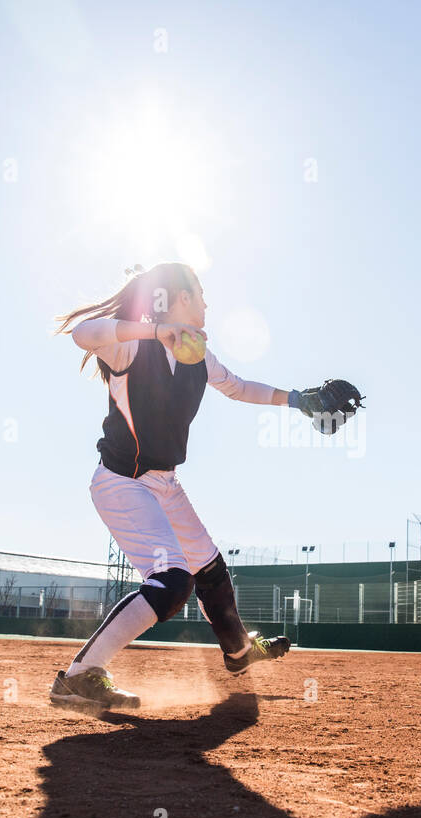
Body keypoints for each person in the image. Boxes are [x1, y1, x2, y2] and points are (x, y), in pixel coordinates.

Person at [47, 262, 311, 711]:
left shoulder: (198, 357)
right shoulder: (132, 346)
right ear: (179, 299)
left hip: (165, 483)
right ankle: (78, 677)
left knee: (208, 569)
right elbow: (83, 334)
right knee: (171, 582)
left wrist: (299, 399)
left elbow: (239, 387)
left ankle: (240, 651)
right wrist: (156, 332)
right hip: (122, 483)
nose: (207, 303)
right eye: (200, 294)